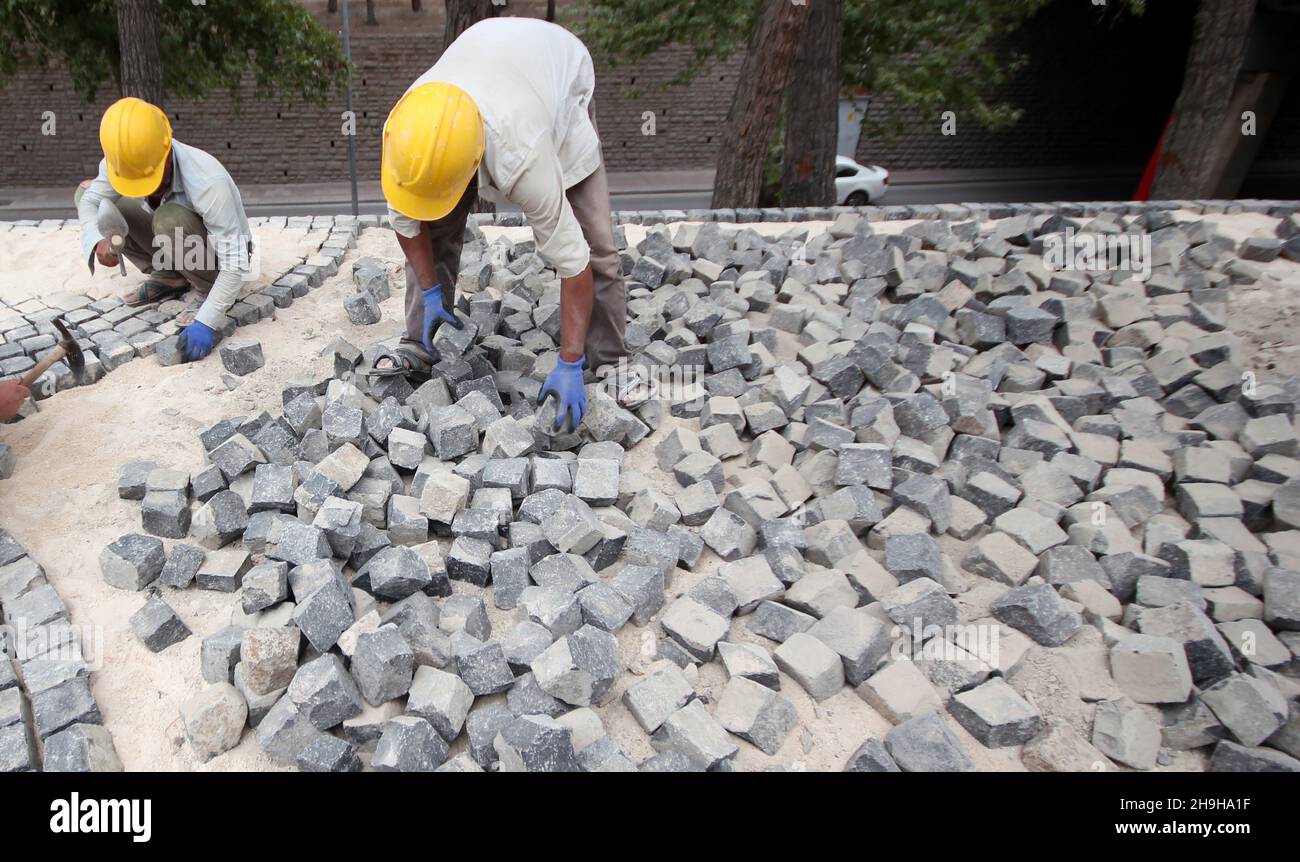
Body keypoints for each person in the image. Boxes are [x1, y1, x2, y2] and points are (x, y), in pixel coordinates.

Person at [381, 17, 636, 433]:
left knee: (596, 245)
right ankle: (418, 341)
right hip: (485, 58)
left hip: (556, 74)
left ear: (475, 164)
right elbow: (407, 221)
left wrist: (568, 362)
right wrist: (429, 291)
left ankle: (610, 361)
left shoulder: (525, 155)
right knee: (435, 226)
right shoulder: (404, 132)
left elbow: (574, 264)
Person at [76, 97, 253, 362]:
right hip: (173, 243)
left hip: (217, 258)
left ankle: (204, 285)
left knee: (168, 218)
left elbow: (236, 261)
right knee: (88, 192)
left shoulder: (207, 181)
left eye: (150, 180)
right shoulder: (122, 163)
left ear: (167, 150)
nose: (146, 191)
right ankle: (170, 275)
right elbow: (89, 202)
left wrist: (207, 320)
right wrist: (97, 240)